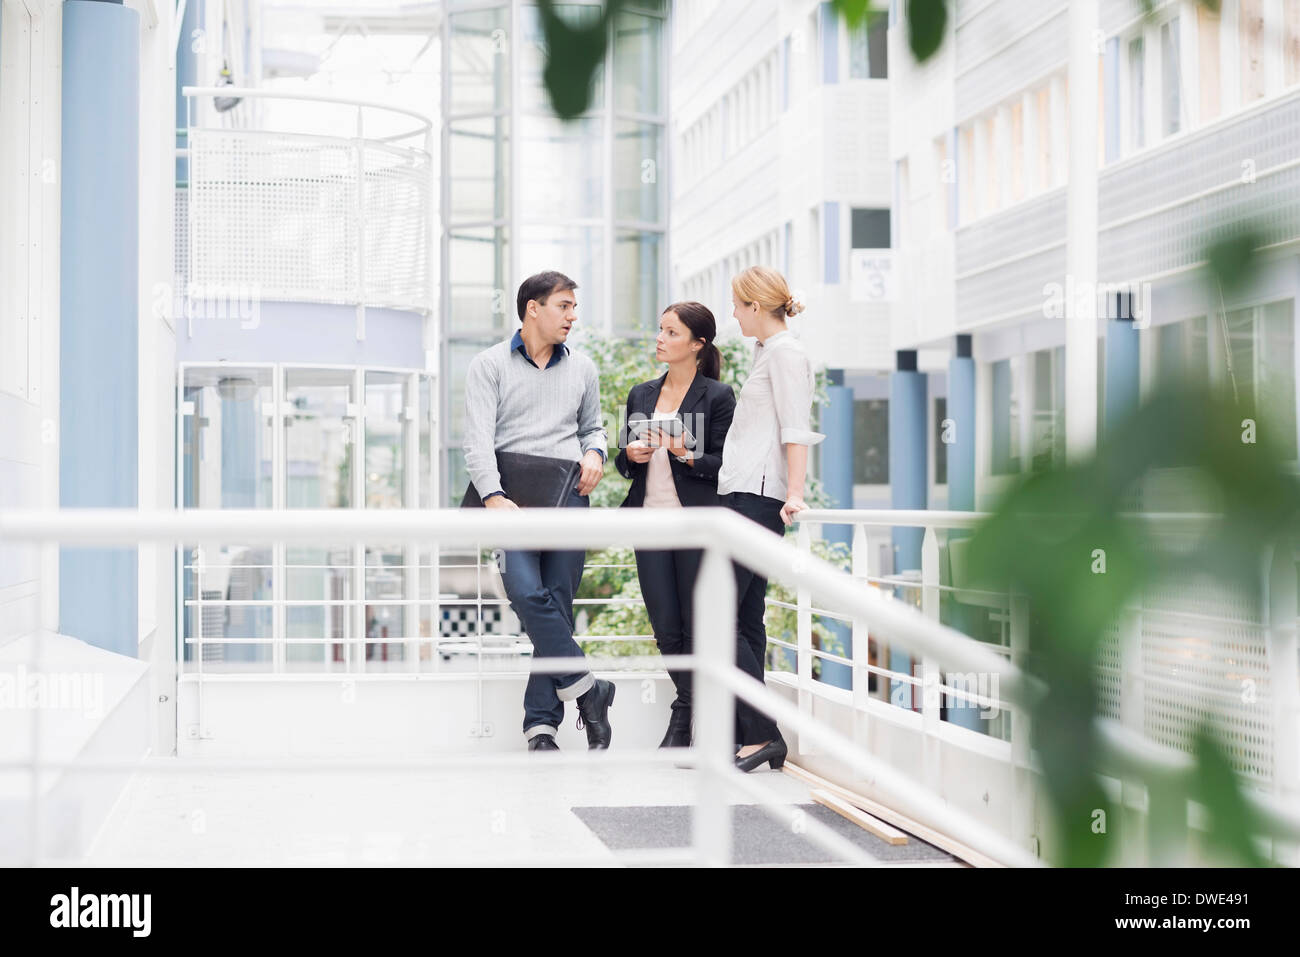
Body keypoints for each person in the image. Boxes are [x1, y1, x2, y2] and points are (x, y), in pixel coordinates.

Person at [462, 270, 615, 752]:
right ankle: (590, 689)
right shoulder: (488, 366)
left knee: (558, 603)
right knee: (527, 594)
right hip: (511, 498)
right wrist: (492, 497)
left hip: (570, 491)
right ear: (533, 308)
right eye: (564, 306)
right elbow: (477, 441)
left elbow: (594, 429)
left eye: (574, 307)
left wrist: (595, 454)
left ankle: (541, 726)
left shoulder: (583, 368)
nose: (573, 315)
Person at [717, 266, 824, 772]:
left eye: (737, 305)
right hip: (741, 494)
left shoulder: (786, 353)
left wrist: (795, 493)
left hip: (758, 499)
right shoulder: (768, 352)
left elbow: (795, 427)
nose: (732, 313)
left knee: (719, 612)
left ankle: (761, 733)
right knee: (743, 616)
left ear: (756, 307)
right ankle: (752, 735)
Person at [615, 302, 736, 748]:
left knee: (694, 623)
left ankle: (684, 717)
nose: (660, 339)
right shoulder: (641, 394)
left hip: (694, 524)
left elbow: (723, 466)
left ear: (698, 344)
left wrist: (683, 452)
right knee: (665, 626)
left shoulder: (718, 396)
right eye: (660, 330)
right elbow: (625, 463)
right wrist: (629, 455)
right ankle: (689, 705)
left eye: (671, 332)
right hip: (648, 523)